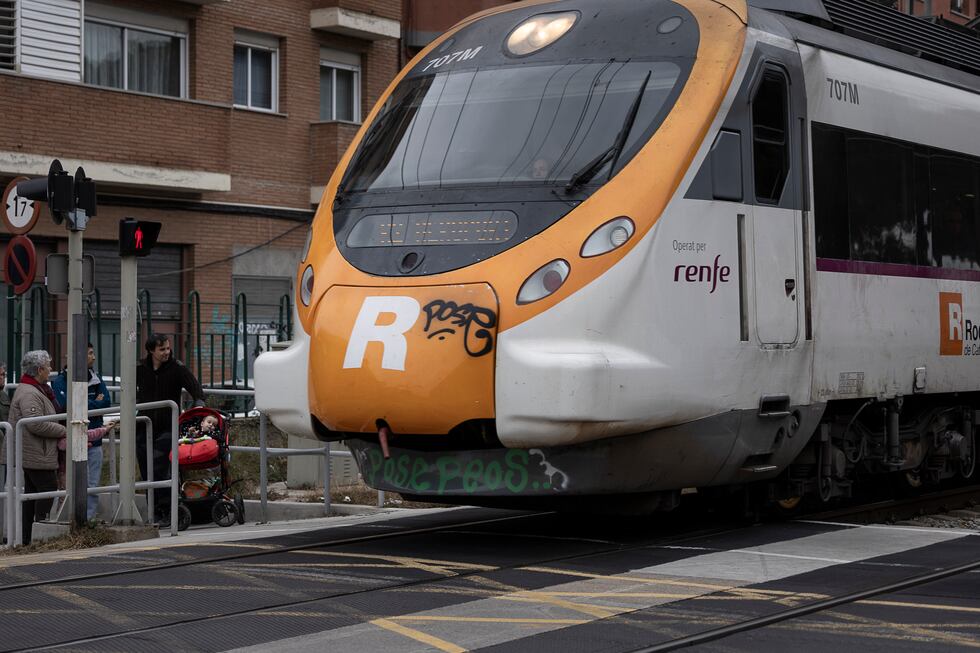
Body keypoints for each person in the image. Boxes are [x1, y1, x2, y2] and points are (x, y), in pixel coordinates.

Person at [136, 334, 204, 526]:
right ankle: (154, 512)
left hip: (167, 426)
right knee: (146, 470)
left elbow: (196, 389)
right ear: (151, 351)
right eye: (162, 349)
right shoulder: (140, 369)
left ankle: (167, 510)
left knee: (159, 467)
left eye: (168, 348)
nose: (167, 352)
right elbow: (128, 391)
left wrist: (198, 407)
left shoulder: (177, 368)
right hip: (143, 425)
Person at [51, 344, 111, 521]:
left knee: (92, 484)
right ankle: (68, 519)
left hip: (95, 441)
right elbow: (67, 405)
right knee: (69, 484)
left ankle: (88, 520)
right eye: (90, 353)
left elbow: (105, 401)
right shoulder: (61, 381)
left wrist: (82, 403)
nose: (93, 357)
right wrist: (92, 404)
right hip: (72, 442)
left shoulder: (96, 378)